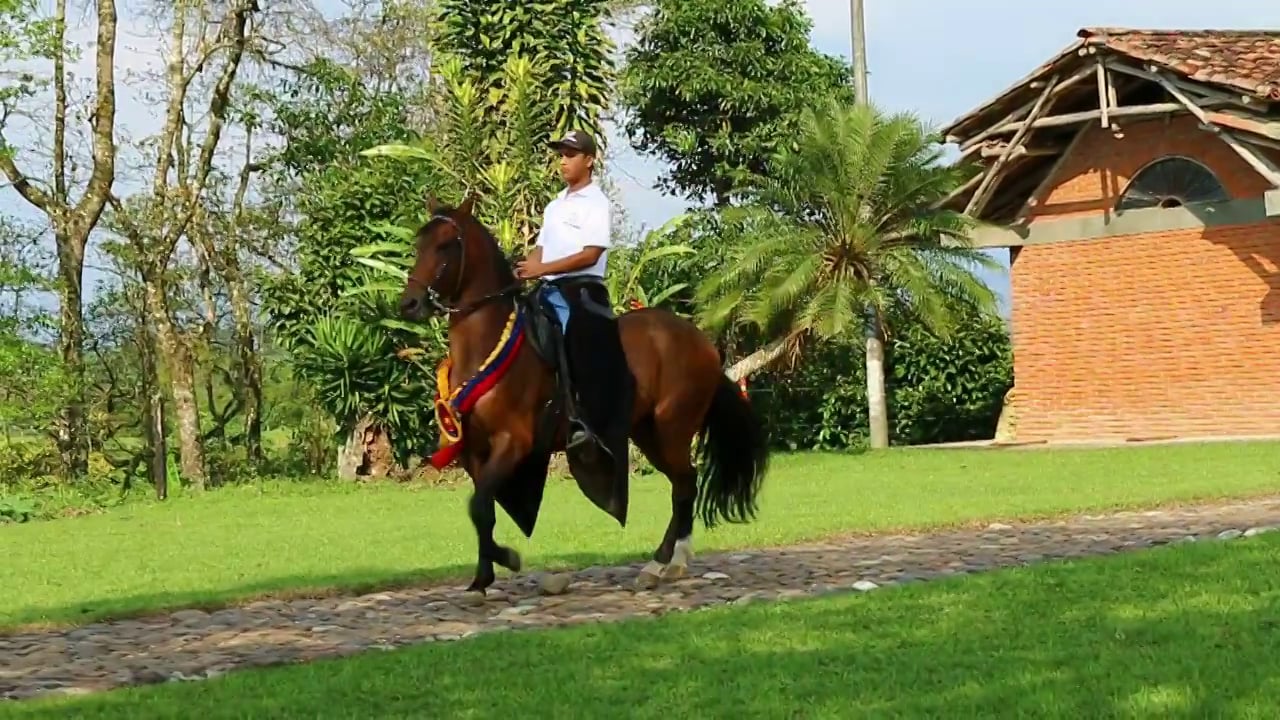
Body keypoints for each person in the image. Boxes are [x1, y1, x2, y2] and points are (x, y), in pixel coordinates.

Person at [515, 129, 624, 460]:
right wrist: (523, 270)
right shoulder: (554, 206)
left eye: (571, 155)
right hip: (548, 286)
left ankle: (580, 418)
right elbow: (541, 250)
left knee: (572, 333)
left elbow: (590, 254)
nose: (563, 161)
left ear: (589, 161)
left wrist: (543, 269)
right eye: (561, 154)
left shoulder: (597, 203)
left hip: (582, 288)